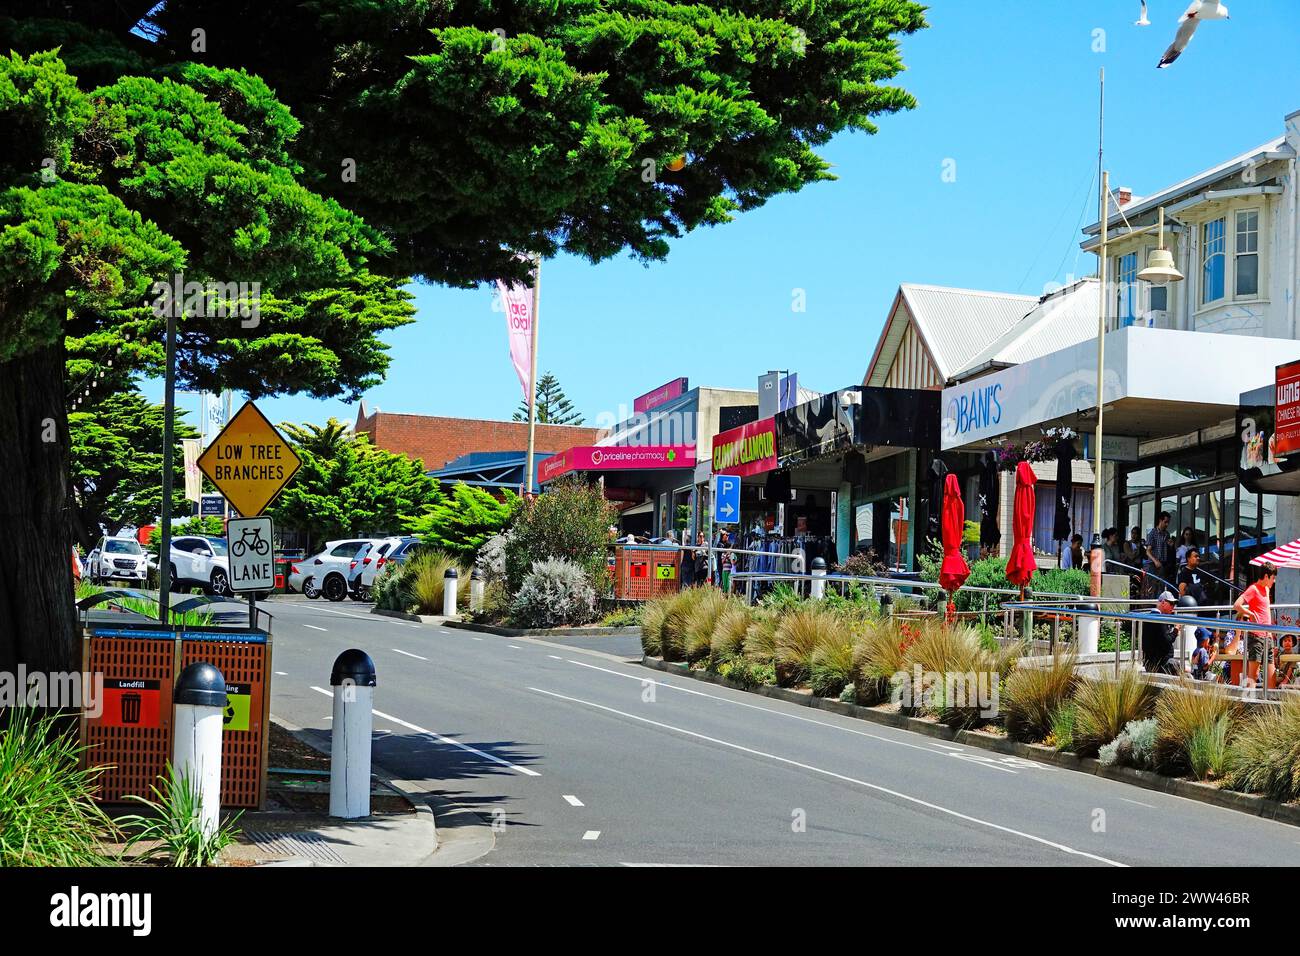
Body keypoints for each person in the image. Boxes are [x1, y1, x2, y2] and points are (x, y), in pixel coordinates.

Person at [1233, 562, 1278, 690]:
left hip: (1267, 635)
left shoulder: (1267, 589)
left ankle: (1269, 704)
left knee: (1271, 673)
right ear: (1266, 576)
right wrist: (1250, 613)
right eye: (1273, 578)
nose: (1274, 581)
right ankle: (1249, 704)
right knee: (1254, 673)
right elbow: (1237, 605)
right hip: (1256, 636)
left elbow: (1265, 609)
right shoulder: (1253, 589)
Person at [1141, 591, 1180, 675]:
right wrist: (1176, 630)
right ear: (1163, 602)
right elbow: (1167, 640)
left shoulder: (1151, 617)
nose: (1173, 607)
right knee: (1177, 666)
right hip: (1160, 666)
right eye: (1171, 604)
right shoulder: (1158, 619)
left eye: (1174, 604)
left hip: (1152, 664)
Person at [1144, 512, 1173, 596]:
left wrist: (1170, 546)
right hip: (1152, 564)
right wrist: (1155, 561)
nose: (1167, 524)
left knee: (1161, 587)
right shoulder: (1153, 533)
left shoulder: (1167, 534)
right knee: (1152, 587)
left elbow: (1168, 550)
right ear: (1160, 520)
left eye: (1168, 522)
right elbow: (1148, 551)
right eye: (1165, 522)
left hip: (1162, 564)